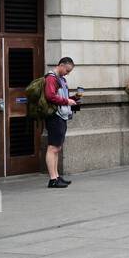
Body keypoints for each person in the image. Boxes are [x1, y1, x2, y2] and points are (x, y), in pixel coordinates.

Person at [44, 56, 81, 188]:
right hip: (55, 116)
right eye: (67, 70)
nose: (68, 73)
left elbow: (62, 97)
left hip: (62, 116)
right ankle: (52, 179)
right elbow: (50, 96)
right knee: (53, 147)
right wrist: (67, 101)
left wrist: (73, 98)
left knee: (57, 148)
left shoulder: (61, 79)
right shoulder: (51, 78)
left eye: (69, 71)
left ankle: (56, 176)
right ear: (61, 65)